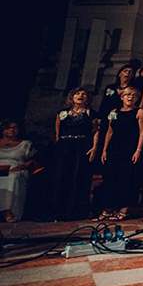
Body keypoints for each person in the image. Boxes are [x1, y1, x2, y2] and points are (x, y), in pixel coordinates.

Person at [98, 87, 143, 220]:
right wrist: (104, 149)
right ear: (122, 97)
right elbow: (110, 131)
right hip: (115, 147)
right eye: (128, 95)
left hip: (129, 148)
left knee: (126, 179)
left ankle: (124, 209)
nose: (130, 97)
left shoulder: (139, 112)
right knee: (110, 178)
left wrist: (138, 150)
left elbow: (142, 132)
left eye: (134, 95)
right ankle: (108, 208)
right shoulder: (114, 112)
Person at [51, 88, 99, 221]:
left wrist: (94, 147)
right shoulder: (62, 113)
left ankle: (76, 211)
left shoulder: (90, 113)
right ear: (71, 97)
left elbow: (95, 131)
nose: (81, 96)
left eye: (84, 94)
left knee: (79, 176)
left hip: (82, 146)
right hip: (65, 146)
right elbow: (57, 132)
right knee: (61, 176)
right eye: (78, 93)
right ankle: (59, 211)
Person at [0, 120, 36, 222]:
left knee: (13, 178)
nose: (11, 130)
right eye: (8, 128)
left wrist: (22, 166)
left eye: (14, 127)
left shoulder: (25, 144)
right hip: (1, 170)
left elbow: (33, 160)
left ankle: (9, 211)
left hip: (16, 169)